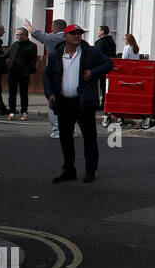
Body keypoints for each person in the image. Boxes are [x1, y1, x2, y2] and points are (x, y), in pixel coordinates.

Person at [43, 25, 112, 183]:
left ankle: (90, 171)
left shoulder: (90, 52)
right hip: (64, 101)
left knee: (89, 138)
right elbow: (47, 75)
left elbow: (108, 63)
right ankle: (68, 170)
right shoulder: (56, 54)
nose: (77, 36)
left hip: (84, 102)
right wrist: (50, 93)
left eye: (79, 33)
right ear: (65, 37)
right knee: (65, 138)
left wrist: (93, 73)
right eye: (73, 34)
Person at [25, 18, 67, 138]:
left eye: (52, 27)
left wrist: (28, 25)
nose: (51, 29)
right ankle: (70, 128)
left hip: (54, 73)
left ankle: (58, 129)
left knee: (53, 100)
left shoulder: (52, 38)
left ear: (56, 28)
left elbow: (36, 34)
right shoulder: (71, 38)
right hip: (70, 72)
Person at [5, 27, 37, 119]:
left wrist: (27, 72)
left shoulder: (32, 46)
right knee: (12, 93)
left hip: (24, 73)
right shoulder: (15, 44)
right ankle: (11, 111)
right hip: (12, 72)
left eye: (19, 34)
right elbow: (6, 55)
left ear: (25, 35)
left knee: (24, 93)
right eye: (16, 35)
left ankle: (24, 111)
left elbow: (33, 61)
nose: (17, 36)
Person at [95, 26, 117, 107]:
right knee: (106, 86)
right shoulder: (112, 42)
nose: (97, 32)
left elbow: (97, 55)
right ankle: (106, 101)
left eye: (98, 30)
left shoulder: (100, 43)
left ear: (102, 32)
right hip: (109, 65)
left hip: (101, 66)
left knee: (100, 86)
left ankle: (101, 103)